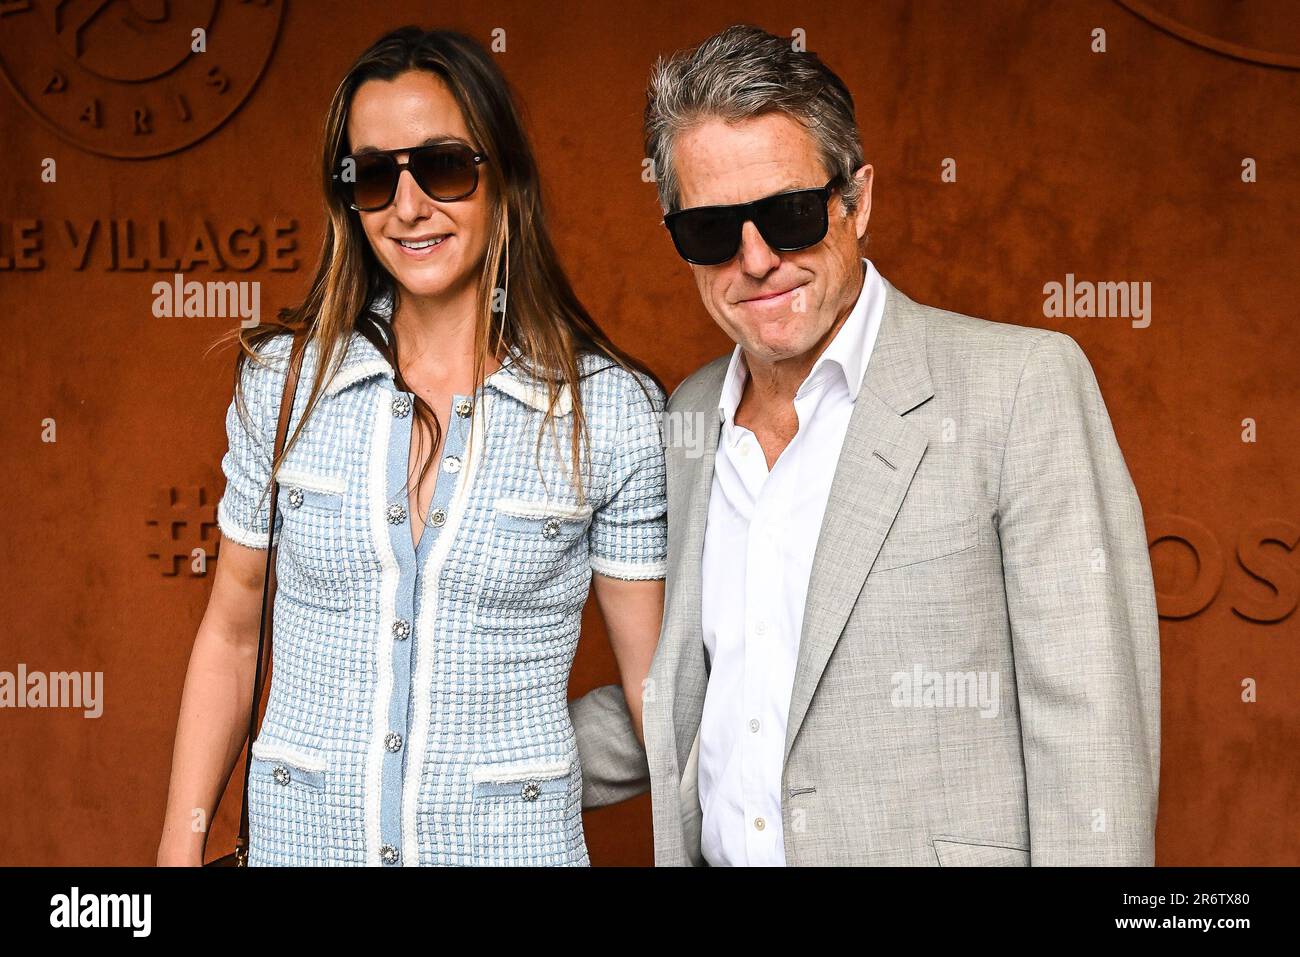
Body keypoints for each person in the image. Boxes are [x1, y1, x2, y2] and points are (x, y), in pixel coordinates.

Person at [586, 23, 1161, 865]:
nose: (755, 260)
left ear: (857, 200)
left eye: (788, 215)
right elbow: (687, 697)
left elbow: (1093, 727)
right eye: (711, 230)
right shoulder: (688, 416)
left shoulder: (1020, 386)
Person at [157, 26, 666, 867]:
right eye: (373, 175)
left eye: (443, 167)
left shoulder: (607, 410)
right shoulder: (284, 385)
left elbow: (658, 694)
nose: (408, 205)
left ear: (503, 178)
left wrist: (527, 769)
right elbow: (232, 633)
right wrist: (178, 848)